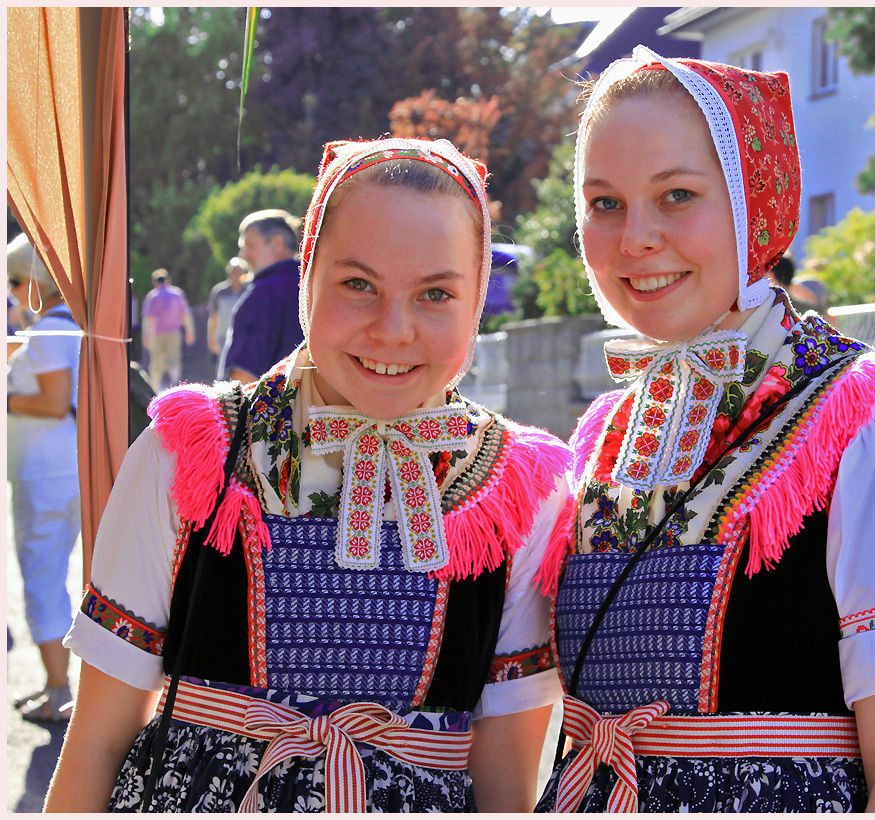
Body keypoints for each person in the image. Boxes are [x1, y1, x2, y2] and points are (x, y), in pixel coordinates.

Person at [44, 137, 569, 813]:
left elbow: (505, 785)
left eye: (436, 293)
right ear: (306, 278)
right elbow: (96, 743)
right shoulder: (193, 452)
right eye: (358, 284)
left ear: (475, 306)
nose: (393, 328)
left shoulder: (514, 488)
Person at [533, 46, 875, 813]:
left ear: (757, 204)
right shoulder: (609, 428)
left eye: (677, 194)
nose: (634, 238)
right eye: (603, 202)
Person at [6, 232, 82, 724]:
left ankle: (58, 691)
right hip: (70, 469)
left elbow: (55, 403)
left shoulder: (49, 332)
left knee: (42, 579)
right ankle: (61, 687)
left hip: (46, 475)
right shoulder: (70, 325)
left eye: (15, 281)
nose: (11, 291)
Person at [220, 209, 304, 384]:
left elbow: (243, 381)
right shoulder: (315, 286)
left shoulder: (263, 294)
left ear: (277, 244)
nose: (243, 255)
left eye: (249, 246)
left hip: (277, 409)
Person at [141, 269, 195, 393]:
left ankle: (154, 390)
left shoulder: (152, 296)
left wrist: (146, 335)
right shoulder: (177, 294)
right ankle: (174, 387)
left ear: (155, 282)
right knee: (174, 361)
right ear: (167, 280)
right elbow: (185, 314)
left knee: (156, 364)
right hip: (174, 333)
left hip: (157, 334)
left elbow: (148, 318)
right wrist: (190, 332)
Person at [207, 256, 249, 376]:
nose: (235, 274)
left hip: (244, 336)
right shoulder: (219, 292)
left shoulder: (249, 289)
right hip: (223, 337)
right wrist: (212, 339)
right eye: (232, 271)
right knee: (224, 371)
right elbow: (213, 316)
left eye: (238, 270)